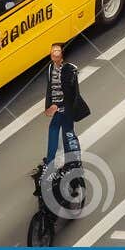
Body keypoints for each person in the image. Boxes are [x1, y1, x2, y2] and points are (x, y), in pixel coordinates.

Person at [38, 42, 87, 171]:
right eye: (52, 51)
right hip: (56, 107)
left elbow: (71, 91)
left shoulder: (70, 69)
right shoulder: (50, 68)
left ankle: (73, 162)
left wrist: (60, 106)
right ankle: (56, 162)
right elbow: (50, 90)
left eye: (57, 51)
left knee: (67, 133)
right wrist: (49, 106)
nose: (53, 53)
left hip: (66, 107)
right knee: (57, 131)